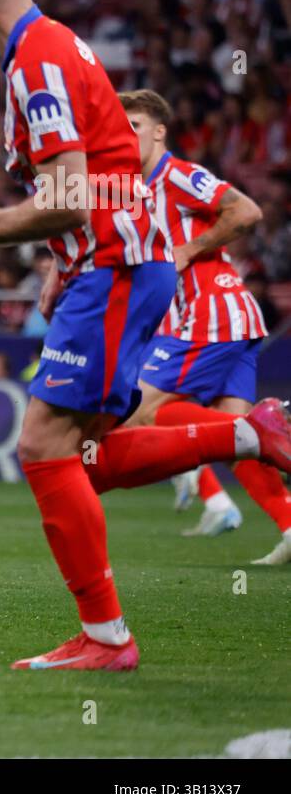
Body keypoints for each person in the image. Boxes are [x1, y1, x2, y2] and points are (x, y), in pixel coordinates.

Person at [0, 0, 291, 671]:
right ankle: (250, 435)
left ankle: (108, 638)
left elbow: (64, 195)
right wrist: (63, 258)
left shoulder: (37, 61)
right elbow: (96, 178)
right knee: (80, 457)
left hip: (119, 267)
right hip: (113, 261)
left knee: (41, 446)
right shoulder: (54, 47)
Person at [117, 89, 291, 565]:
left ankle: (232, 468)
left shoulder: (178, 175)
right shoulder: (136, 189)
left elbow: (247, 211)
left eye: (134, 126)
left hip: (208, 315)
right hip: (226, 317)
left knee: (139, 411)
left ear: (158, 132)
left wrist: (189, 252)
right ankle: (290, 524)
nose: (125, 135)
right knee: (238, 441)